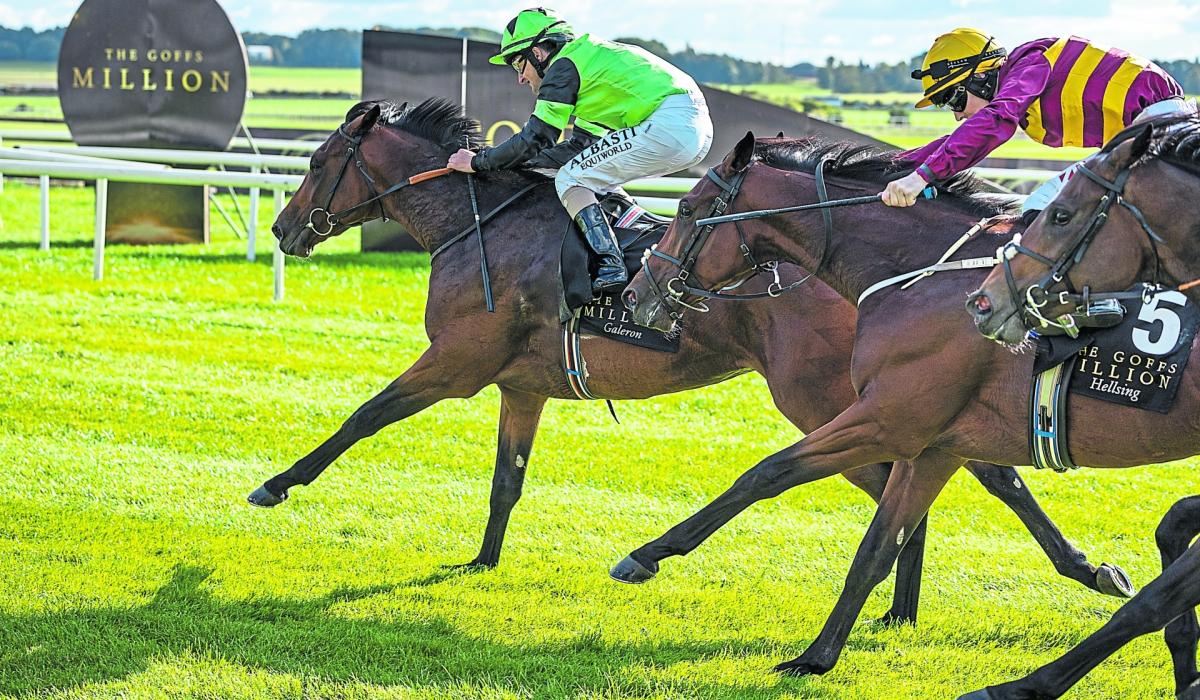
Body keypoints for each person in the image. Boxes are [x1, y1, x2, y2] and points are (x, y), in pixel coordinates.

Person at [446, 8, 713, 292]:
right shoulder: (587, 64)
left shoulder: (563, 67)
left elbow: (537, 136)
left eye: (517, 64)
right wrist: (521, 164)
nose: (520, 79)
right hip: (688, 126)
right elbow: (577, 147)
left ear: (538, 53)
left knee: (571, 179)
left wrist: (479, 161)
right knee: (585, 171)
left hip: (671, 124)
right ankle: (635, 237)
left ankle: (610, 263)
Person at [883, 28, 1191, 211]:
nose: (957, 114)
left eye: (952, 98)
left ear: (980, 77)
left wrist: (922, 176)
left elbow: (994, 122)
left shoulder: (1028, 65)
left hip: (1156, 129)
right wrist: (897, 166)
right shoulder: (1020, 86)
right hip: (1146, 134)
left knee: (1041, 204)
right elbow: (960, 140)